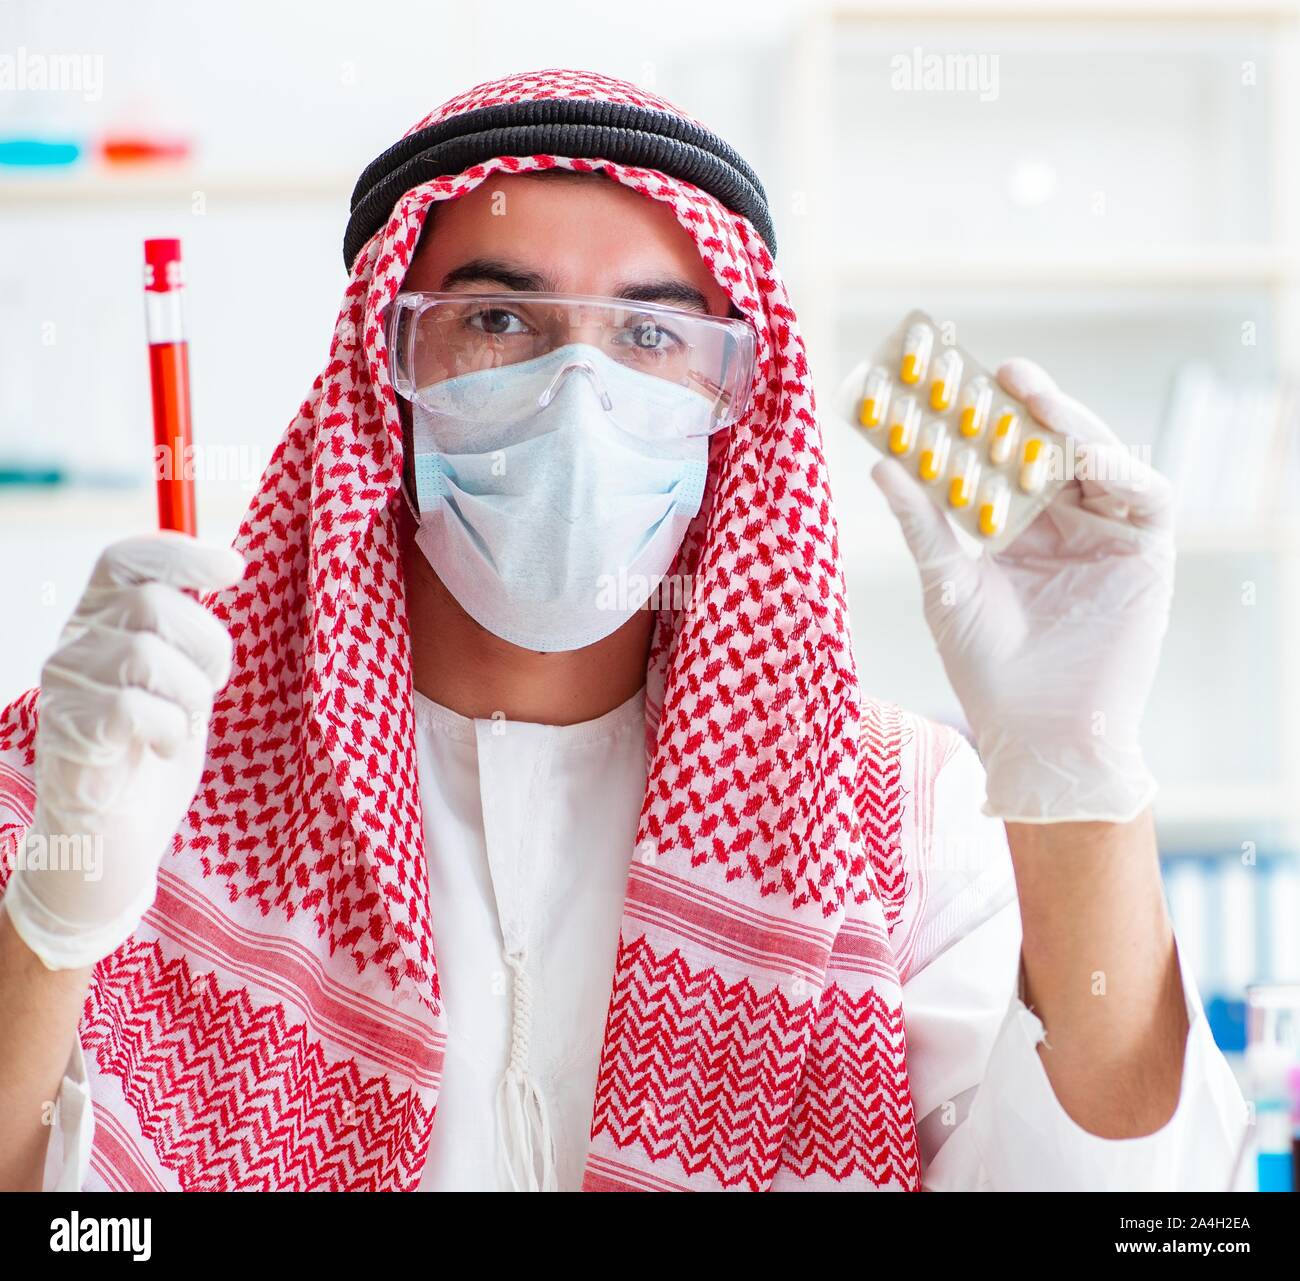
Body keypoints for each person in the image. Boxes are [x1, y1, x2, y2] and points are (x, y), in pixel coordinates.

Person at [0, 68, 1245, 1193]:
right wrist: (54, 927)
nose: (579, 392)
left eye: (652, 333)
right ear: (384, 372)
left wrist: (1080, 779)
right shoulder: (113, 768)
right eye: (498, 321)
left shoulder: (893, 820)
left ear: (726, 399)